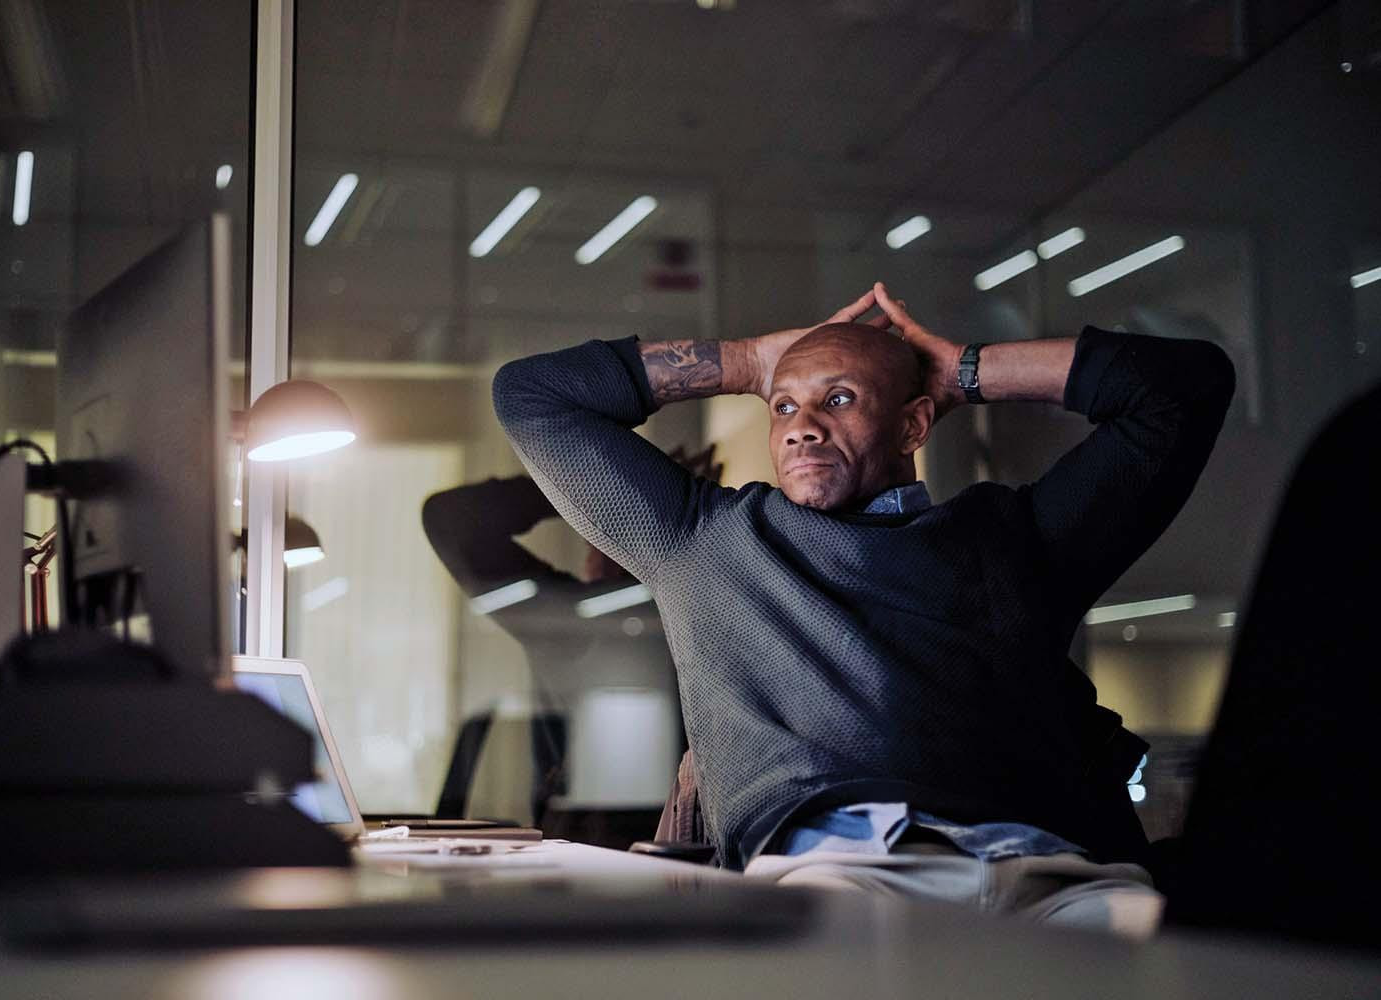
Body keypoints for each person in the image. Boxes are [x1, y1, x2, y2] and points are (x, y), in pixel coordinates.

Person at [492, 281, 1234, 936]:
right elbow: (533, 395)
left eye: (837, 400)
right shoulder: (709, 542)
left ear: (915, 426)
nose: (799, 425)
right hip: (846, 867)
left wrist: (965, 372)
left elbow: (1186, 387)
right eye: (784, 406)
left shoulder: (1017, 537)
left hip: (1055, 872)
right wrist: (750, 361)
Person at [421, 447, 720, 828]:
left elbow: (450, 520)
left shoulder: (587, 625)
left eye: (598, 526)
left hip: (590, 853)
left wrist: (594, 486)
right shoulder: (704, 623)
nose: (587, 543)